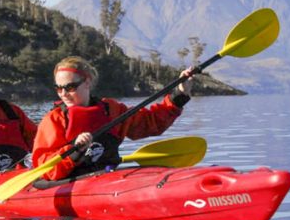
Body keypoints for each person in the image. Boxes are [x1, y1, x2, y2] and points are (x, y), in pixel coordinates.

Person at [32, 56, 194, 180]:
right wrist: (74, 150)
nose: (63, 94)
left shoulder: (111, 109)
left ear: (87, 82)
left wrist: (179, 95)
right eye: (58, 88)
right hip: (70, 183)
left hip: (107, 178)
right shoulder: (54, 119)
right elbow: (44, 167)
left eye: (70, 87)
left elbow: (150, 123)